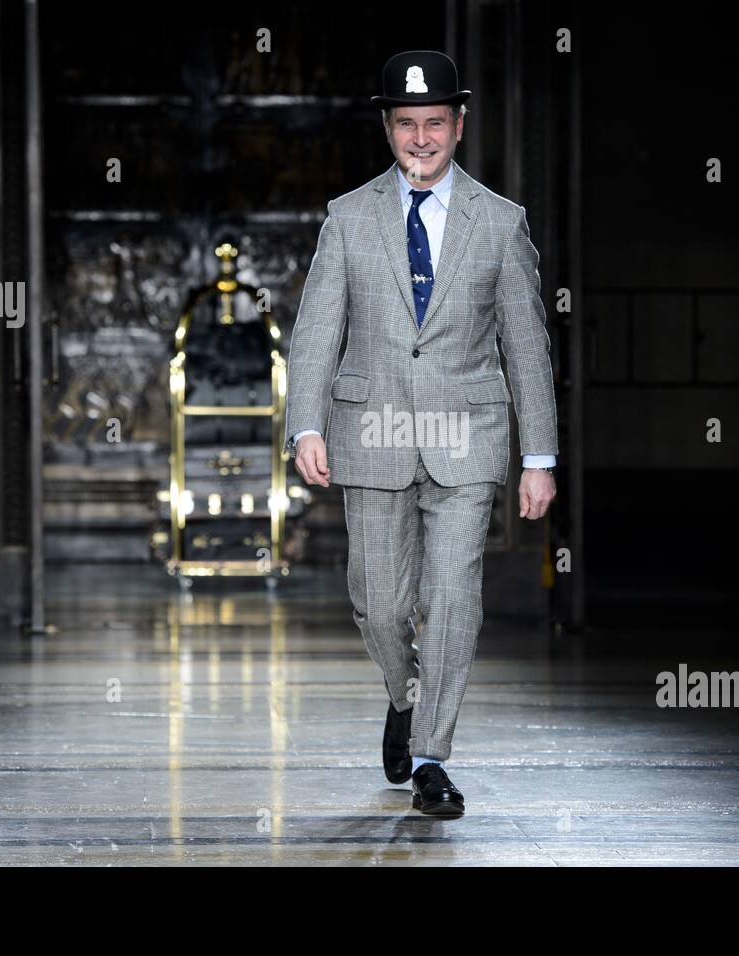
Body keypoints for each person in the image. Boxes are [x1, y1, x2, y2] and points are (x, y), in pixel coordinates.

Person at [283, 50, 559, 816]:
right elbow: (316, 330)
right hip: (370, 431)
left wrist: (538, 456)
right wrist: (305, 423)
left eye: (435, 122)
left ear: (458, 125)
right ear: (388, 127)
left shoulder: (501, 225)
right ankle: (403, 693)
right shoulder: (348, 217)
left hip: (466, 432)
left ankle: (433, 754)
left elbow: (526, 343)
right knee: (379, 604)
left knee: (452, 596)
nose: (422, 138)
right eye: (407, 124)